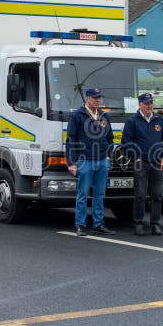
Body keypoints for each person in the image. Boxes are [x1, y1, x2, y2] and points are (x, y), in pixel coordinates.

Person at [66, 88, 115, 237]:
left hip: (102, 160)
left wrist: (108, 155)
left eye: (99, 97)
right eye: (94, 98)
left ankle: (98, 224)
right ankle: (80, 224)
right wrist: (71, 163)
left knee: (99, 194)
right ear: (87, 98)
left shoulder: (103, 116)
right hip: (85, 160)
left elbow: (110, 138)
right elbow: (71, 139)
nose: (97, 100)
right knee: (83, 194)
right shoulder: (77, 115)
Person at [121, 93, 163, 236]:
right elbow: (126, 142)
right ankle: (138, 223)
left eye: (151, 103)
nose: (149, 106)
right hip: (141, 163)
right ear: (140, 105)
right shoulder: (132, 121)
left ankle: (155, 224)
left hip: (157, 163)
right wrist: (135, 156)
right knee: (140, 195)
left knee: (157, 195)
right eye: (146, 103)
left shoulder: (159, 120)